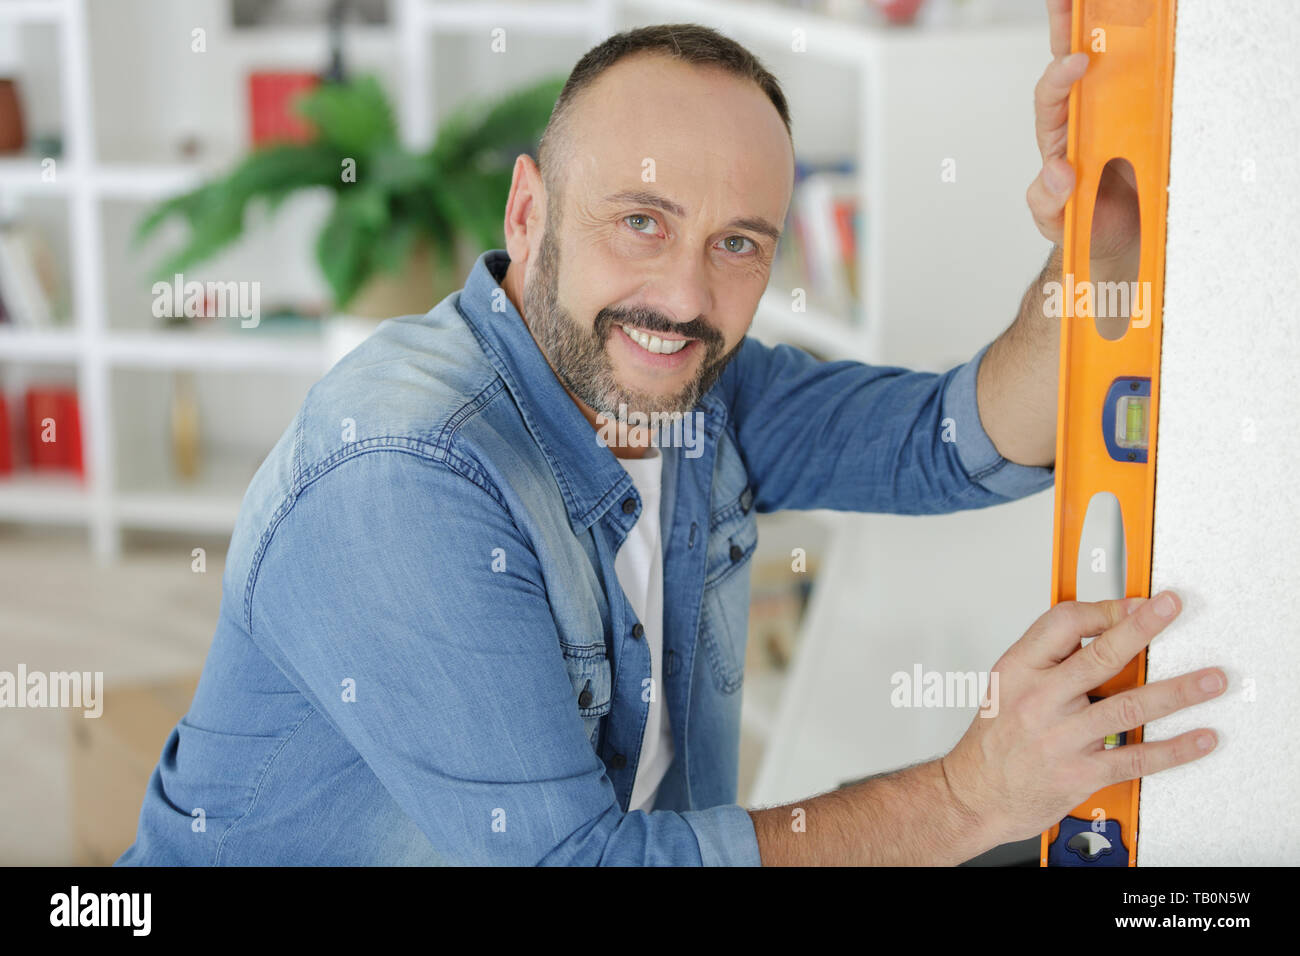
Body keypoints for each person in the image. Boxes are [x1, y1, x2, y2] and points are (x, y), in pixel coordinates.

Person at [118, 12, 1222, 866]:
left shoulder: (693, 390)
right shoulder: (403, 473)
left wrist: (1101, 244)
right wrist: (965, 795)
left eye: (737, 243)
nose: (685, 295)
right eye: (640, 219)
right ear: (526, 212)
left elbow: (952, 437)